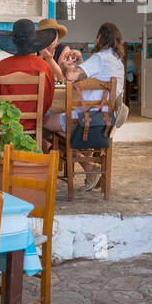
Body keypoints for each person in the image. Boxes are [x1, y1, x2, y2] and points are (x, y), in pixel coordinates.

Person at [50, 22, 126, 191]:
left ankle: (89, 166)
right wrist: (80, 62)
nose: (94, 39)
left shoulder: (100, 58)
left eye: (96, 36)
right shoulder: (117, 62)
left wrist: (64, 63)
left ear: (101, 38)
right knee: (61, 131)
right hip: (104, 119)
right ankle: (89, 166)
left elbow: (70, 76)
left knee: (44, 123)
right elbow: (89, 76)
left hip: (86, 118)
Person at [0, 19, 57, 142]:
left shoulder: (2, 66)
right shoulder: (44, 66)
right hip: (33, 124)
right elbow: (48, 100)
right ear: (34, 42)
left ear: (14, 42)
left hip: (6, 124)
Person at [36, 17, 70, 82]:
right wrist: (42, 56)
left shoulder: (63, 48)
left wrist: (49, 59)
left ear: (57, 35)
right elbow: (32, 71)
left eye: (53, 34)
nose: (50, 37)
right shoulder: (34, 48)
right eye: (46, 34)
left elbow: (62, 77)